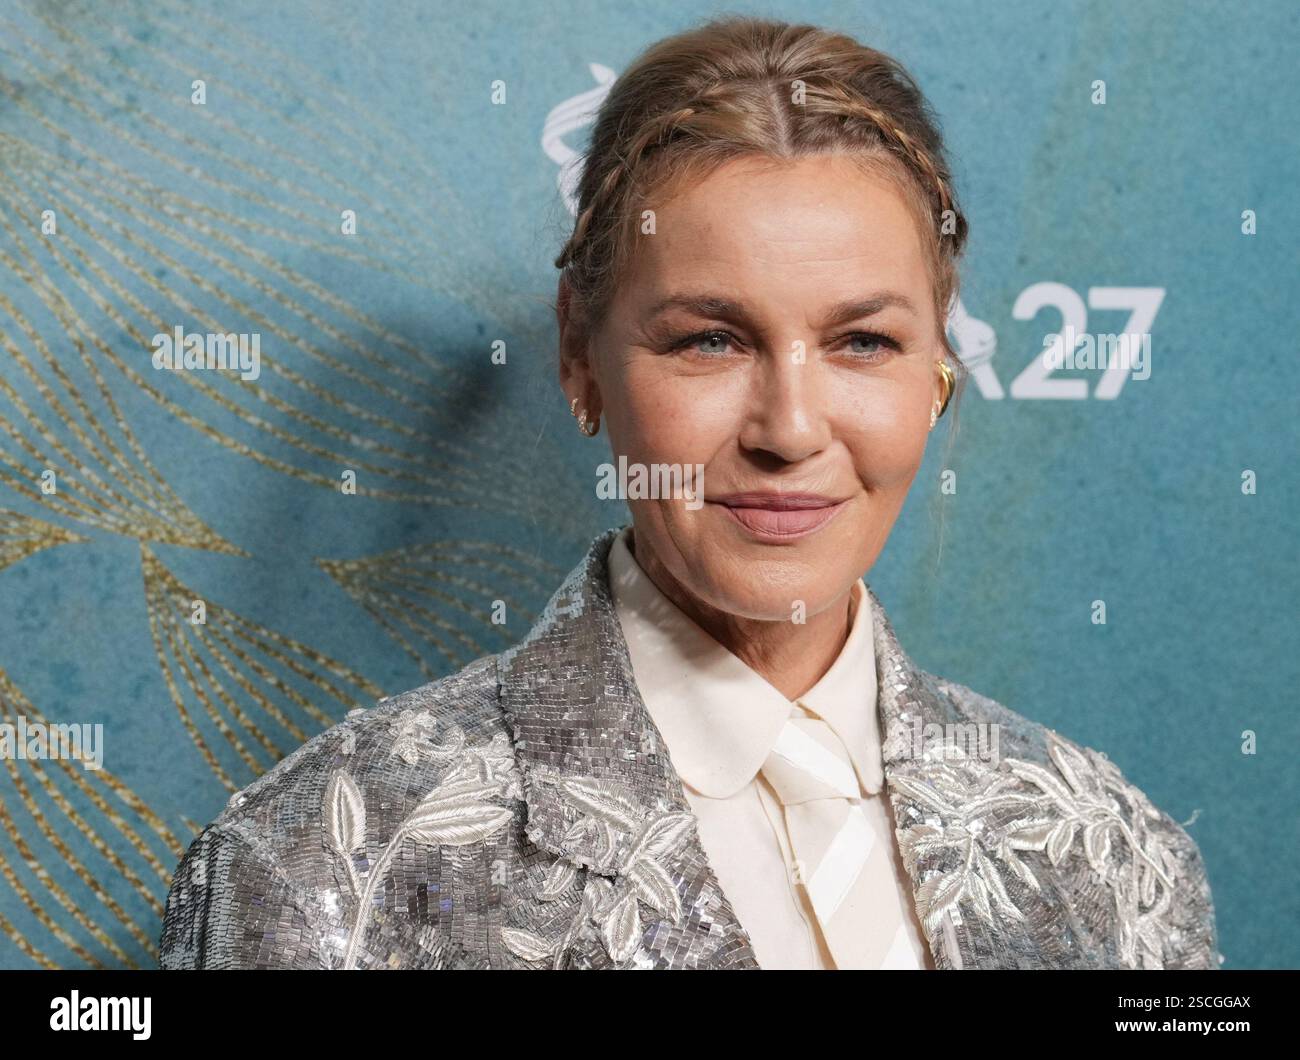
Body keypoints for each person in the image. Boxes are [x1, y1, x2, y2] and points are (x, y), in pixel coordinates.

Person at [158, 15, 1220, 970]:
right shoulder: (327, 861)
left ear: (937, 366)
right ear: (580, 353)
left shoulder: (1113, 855)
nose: (790, 429)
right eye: (711, 339)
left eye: (862, 341)